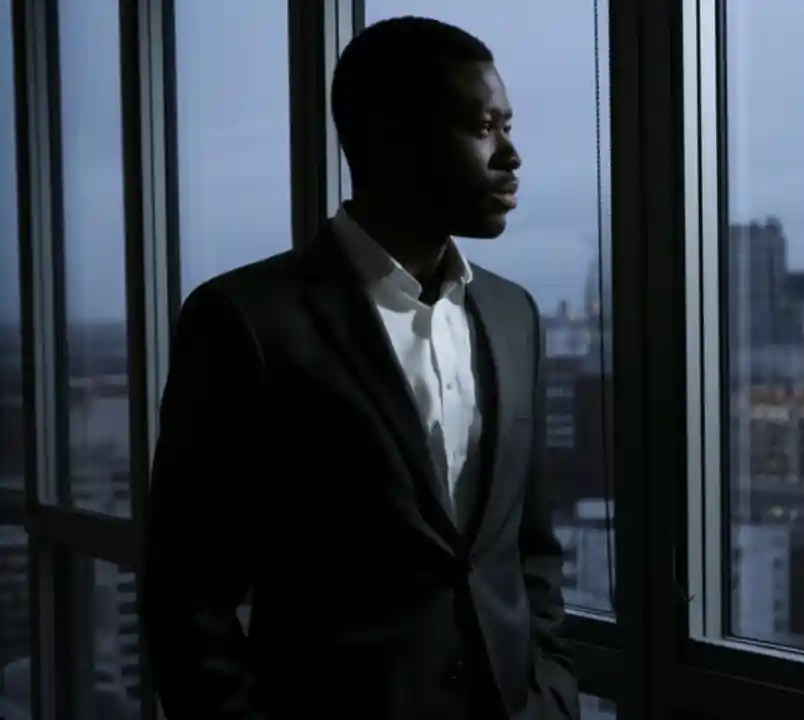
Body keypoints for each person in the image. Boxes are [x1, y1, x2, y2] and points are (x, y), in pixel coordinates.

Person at [141, 16, 578, 719]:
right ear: (390, 139)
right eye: (483, 127)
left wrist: (550, 693)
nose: (511, 155)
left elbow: (532, 550)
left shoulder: (513, 315)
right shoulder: (247, 320)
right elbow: (186, 595)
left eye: (507, 124)